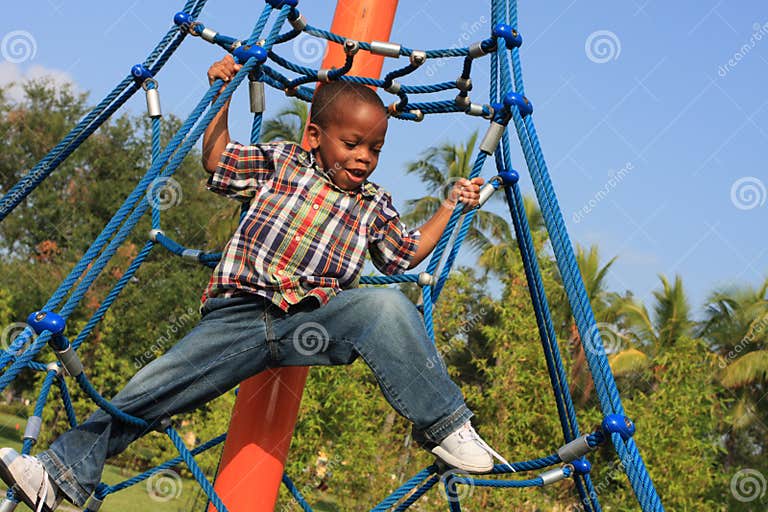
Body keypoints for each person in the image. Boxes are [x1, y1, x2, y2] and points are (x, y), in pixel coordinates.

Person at [0, 55, 508, 511]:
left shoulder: (373, 202)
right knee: (152, 387)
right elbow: (219, 160)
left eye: (374, 149)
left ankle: (446, 426)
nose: (362, 158)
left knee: (390, 306)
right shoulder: (282, 162)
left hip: (311, 318)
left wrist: (448, 206)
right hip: (239, 314)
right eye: (351, 144)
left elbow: (403, 256)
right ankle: (55, 473)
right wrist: (223, 97)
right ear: (314, 136)